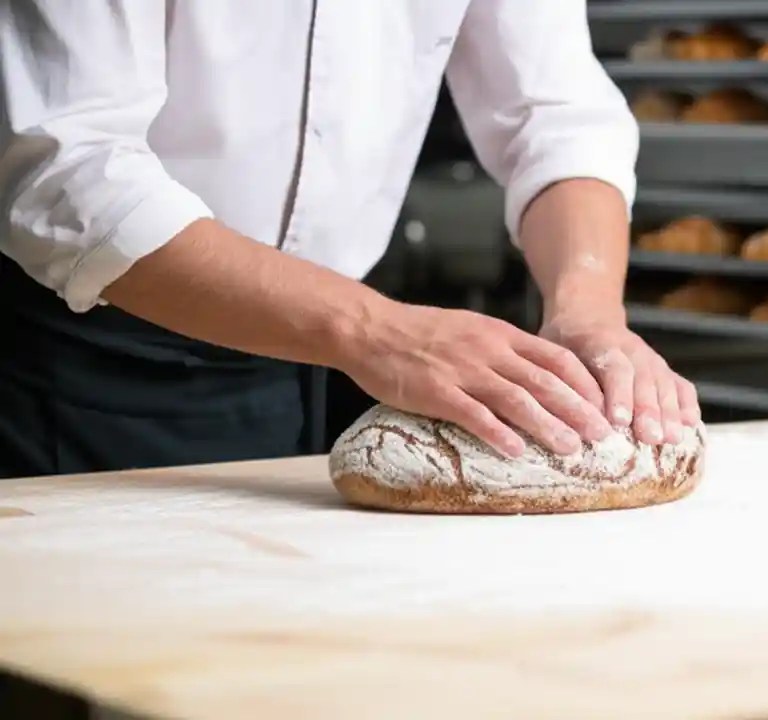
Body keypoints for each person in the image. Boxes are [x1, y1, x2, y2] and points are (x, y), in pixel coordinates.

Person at [0, 2, 700, 479]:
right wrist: (376, 331)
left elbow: (551, 111)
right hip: (90, 357)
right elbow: (68, 168)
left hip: (321, 363)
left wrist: (589, 313)